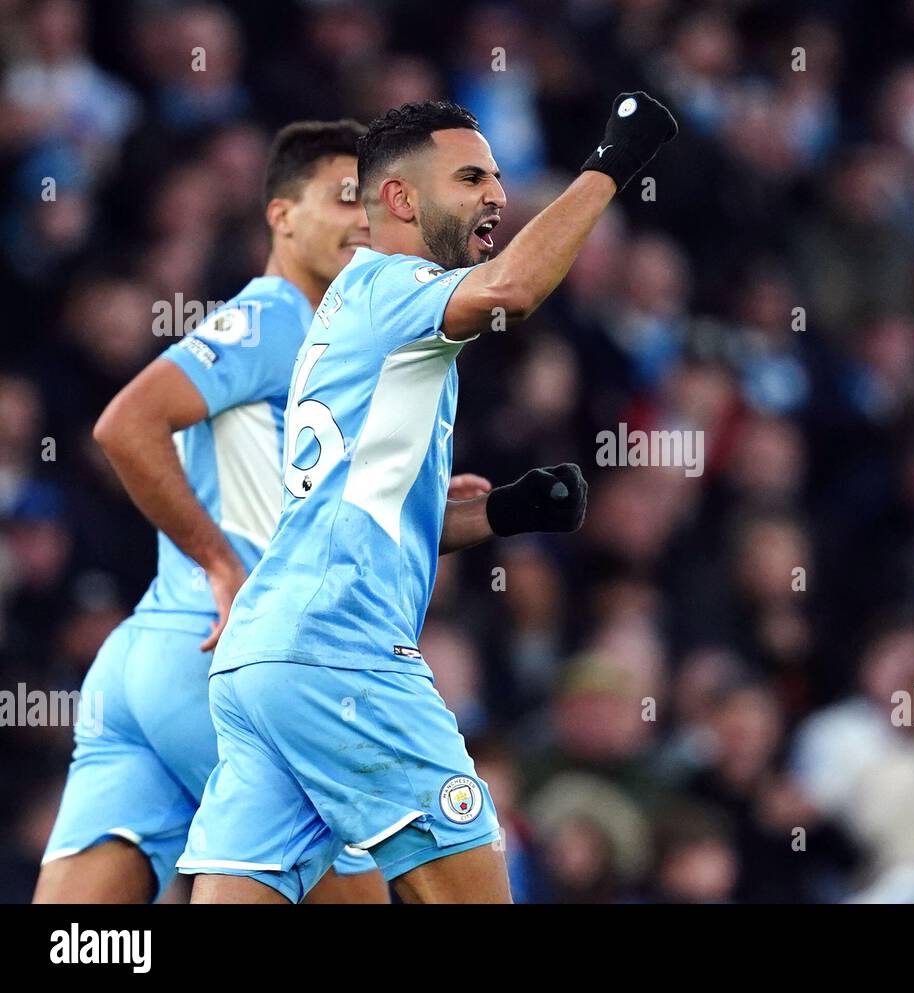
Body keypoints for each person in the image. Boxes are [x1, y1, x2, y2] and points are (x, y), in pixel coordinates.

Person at [180, 92, 677, 904]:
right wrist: (614, 161)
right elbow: (513, 287)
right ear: (401, 199)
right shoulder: (391, 285)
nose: (495, 195)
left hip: (266, 661)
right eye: (471, 177)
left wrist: (506, 511)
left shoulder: (342, 314)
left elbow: (355, 514)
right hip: (346, 650)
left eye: (498, 177)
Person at [35, 120, 405, 903]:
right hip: (228, 663)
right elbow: (125, 424)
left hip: (147, 664)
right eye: (343, 198)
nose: (362, 220)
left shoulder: (335, 358)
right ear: (281, 216)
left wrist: (490, 513)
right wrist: (218, 560)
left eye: (372, 204)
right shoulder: (278, 317)